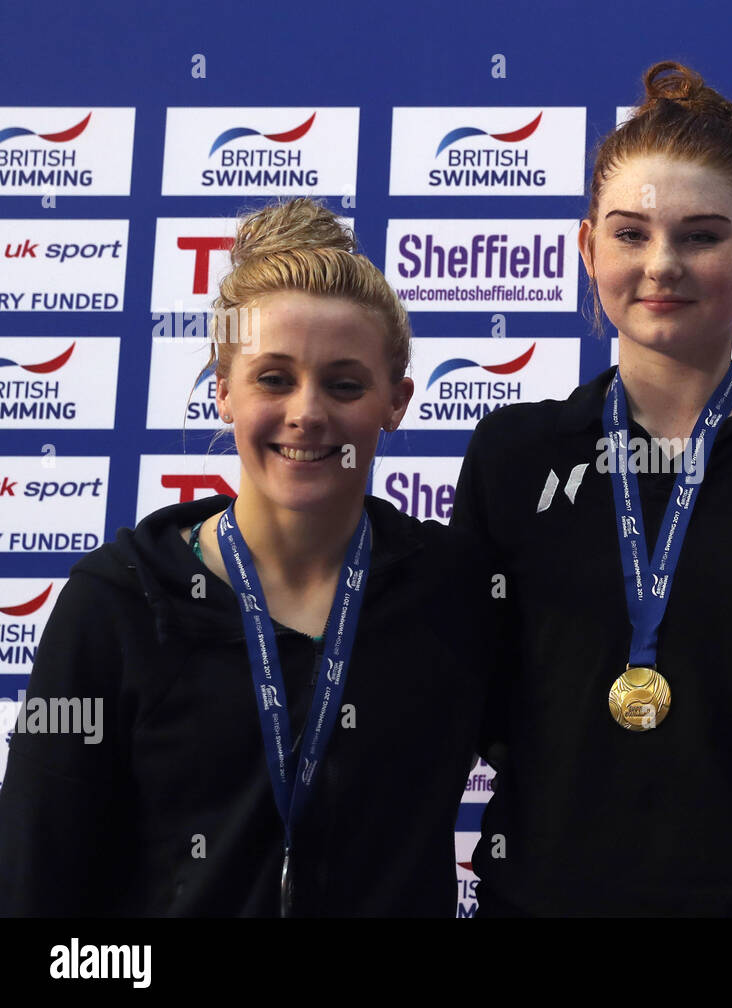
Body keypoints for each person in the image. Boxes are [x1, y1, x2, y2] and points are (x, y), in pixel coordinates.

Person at [452, 61, 732, 916]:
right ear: (586, 247)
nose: (662, 266)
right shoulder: (517, 451)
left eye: (700, 235)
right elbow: (462, 691)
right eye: (629, 234)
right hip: (542, 899)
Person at [0, 198, 494, 916]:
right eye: (273, 378)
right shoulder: (119, 603)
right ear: (223, 390)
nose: (307, 412)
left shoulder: (455, 590)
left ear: (397, 400)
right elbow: (33, 889)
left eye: (345, 383)